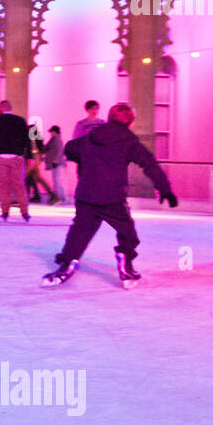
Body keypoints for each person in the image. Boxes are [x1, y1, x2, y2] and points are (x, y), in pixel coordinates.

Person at [42, 102, 178, 288]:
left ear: (109, 117)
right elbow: (150, 164)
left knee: (79, 232)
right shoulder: (130, 142)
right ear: (130, 122)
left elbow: (70, 148)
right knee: (128, 234)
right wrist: (165, 188)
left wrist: (82, 157)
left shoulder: (91, 137)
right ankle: (125, 259)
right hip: (112, 197)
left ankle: (68, 262)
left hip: (87, 195)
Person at [0, 100, 31, 221]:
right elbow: (26, 139)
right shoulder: (20, 121)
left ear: (3, 108)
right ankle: (24, 211)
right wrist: (28, 156)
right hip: (16, 157)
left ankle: (5, 211)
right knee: (19, 185)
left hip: (1, 157)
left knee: (4, 186)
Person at [25, 133, 56, 204]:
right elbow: (41, 148)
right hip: (37, 158)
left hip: (31, 158)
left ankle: (19, 197)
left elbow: (30, 148)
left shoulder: (31, 136)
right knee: (37, 178)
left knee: (23, 177)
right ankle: (51, 194)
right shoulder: (37, 136)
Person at [44, 125, 66, 203]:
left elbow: (59, 151)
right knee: (56, 180)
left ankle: (60, 197)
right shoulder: (55, 139)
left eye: (51, 131)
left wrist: (55, 161)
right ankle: (60, 197)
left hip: (56, 163)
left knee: (57, 180)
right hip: (56, 163)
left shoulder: (56, 139)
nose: (50, 133)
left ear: (54, 132)